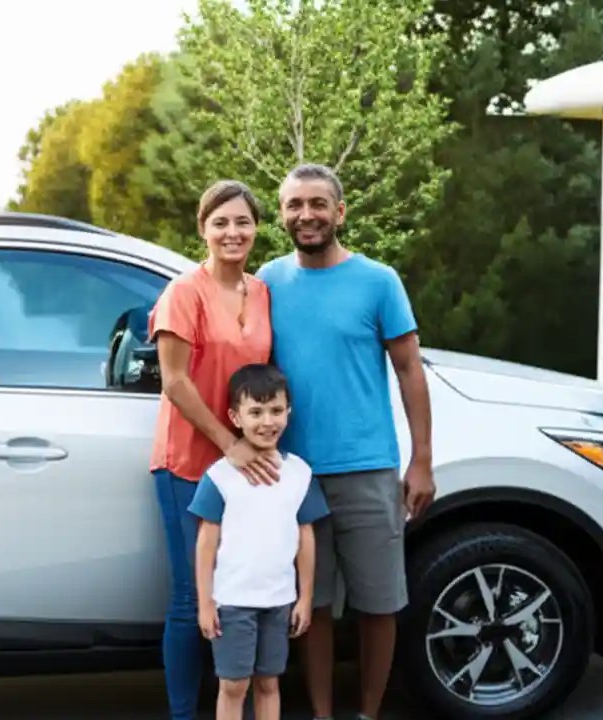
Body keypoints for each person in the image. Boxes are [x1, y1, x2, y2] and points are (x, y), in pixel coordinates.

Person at [256, 163, 435, 720]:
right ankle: (324, 714)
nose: (305, 215)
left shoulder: (378, 281)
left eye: (316, 204)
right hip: (293, 475)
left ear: (340, 211)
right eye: (293, 205)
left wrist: (421, 461)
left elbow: (409, 369)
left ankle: (369, 714)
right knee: (314, 605)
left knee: (379, 604)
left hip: (367, 467)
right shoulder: (268, 280)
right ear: (283, 214)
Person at [148, 179, 280, 719]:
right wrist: (230, 444)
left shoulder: (264, 291)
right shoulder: (184, 292)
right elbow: (175, 383)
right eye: (220, 222)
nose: (233, 231)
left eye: (242, 221)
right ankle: (184, 714)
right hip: (190, 464)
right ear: (202, 229)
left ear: (255, 229)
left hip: (249, 467)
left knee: (242, 595)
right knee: (190, 598)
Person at [189, 363, 329, 720]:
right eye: (256, 412)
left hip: (279, 601)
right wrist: (206, 604)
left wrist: (306, 597)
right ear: (235, 417)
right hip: (233, 602)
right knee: (234, 686)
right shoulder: (221, 477)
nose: (268, 421)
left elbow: (306, 537)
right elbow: (206, 543)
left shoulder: (299, 474)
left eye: (276, 411)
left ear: (288, 412)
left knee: (269, 682)